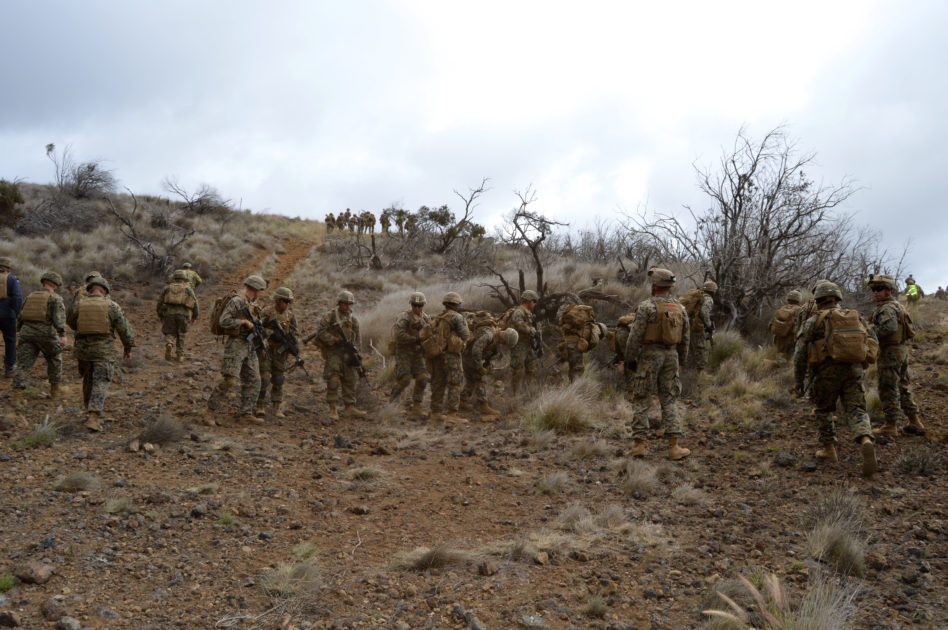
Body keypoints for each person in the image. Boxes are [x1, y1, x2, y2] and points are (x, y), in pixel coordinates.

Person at [792, 281, 877, 477]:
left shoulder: (814, 321)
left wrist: (799, 380)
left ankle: (829, 449)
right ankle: (865, 439)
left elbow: (799, 353)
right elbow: (873, 340)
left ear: (817, 300)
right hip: (854, 371)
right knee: (856, 408)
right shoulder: (856, 317)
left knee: (823, 409)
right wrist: (864, 360)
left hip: (825, 373)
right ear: (838, 299)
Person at [623, 268, 691, 461]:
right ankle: (674, 447)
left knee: (642, 398)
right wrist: (681, 361)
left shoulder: (646, 307)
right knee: (669, 400)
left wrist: (630, 359)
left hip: (650, 356)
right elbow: (686, 339)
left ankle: (639, 445)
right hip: (671, 356)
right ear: (669, 287)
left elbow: (634, 337)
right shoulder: (680, 308)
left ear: (654, 286)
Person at [66, 276, 134, 432]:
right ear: (105, 291)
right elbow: (125, 330)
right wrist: (128, 348)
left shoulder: (78, 305)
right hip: (103, 351)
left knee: (88, 380)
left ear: (90, 291)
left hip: (83, 351)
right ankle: (93, 417)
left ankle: (87, 409)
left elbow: (70, 322)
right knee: (101, 381)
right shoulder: (112, 306)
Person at [867, 274, 925, 437]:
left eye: (879, 289)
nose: (875, 292)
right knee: (902, 386)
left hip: (890, 352)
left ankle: (890, 425)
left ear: (889, 290)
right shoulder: (897, 306)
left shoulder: (887, 308)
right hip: (901, 351)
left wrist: (870, 332)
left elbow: (889, 329)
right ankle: (914, 420)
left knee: (888, 388)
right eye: (874, 289)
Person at [206, 275, 266, 425]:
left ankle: (246, 413)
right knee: (230, 380)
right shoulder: (237, 301)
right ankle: (209, 412)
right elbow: (224, 321)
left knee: (255, 380)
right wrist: (243, 322)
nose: (261, 293)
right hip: (236, 344)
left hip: (249, 345)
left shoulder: (253, 304)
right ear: (256, 289)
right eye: (260, 290)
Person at [314, 290, 367, 421]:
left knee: (351, 380)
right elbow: (320, 332)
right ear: (339, 303)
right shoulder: (330, 316)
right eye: (345, 304)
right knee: (333, 380)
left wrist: (356, 354)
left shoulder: (353, 320)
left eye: (350, 304)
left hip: (348, 354)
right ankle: (333, 409)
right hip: (334, 353)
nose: (348, 307)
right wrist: (335, 340)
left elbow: (357, 339)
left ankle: (349, 408)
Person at [13, 271, 66, 397]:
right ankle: (55, 390)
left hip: (26, 333)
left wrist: (18, 330)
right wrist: (62, 335)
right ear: (56, 285)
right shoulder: (55, 298)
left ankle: (17, 395)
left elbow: (21, 315)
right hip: (46, 334)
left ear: (43, 282)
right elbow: (59, 319)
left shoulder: (31, 296)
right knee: (54, 359)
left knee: (23, 363)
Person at [460, 313, 517, 419]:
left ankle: (461, 401)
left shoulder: (496, 335)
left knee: (471, 381)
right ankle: (483, 406)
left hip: (468, 355)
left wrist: (488, 364)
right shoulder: (489, 335)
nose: (504, 345)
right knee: (480, 379)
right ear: (504, 338)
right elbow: (476, 350)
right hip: (469, 355)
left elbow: (486, 352)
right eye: (505, 343)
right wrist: (479, 367)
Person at [426, 292, 470, 423]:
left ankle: (435, 412)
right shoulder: (457, 317)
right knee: (455, 383)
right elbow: (466, 335)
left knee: (438, 383)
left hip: (436, 355)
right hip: (451, 356)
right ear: (456, 304)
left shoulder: (437, 317)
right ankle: (452, 414)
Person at [255, 286, 299, 419]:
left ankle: (276, 407)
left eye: (289, 302)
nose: (287, 304)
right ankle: (260, 406)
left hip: (281, 353)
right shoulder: (267, 312)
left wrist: (292, 341)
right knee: (264, 379)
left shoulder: (290, 315)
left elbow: (295, 331)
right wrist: (271, 333)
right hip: (266, 350)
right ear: (278, 300)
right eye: (285, 301)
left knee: (279, 379)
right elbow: (257, 328)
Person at [389, 292, 431, 416]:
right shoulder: (404, 317)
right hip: (404, 352)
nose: (417, 308)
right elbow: (398, 334)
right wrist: (415, 339)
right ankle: (392, 403)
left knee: (422, 379)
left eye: (420, 305)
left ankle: (417, 407)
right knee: (405, 379)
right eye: (415, 305)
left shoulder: (426, 318)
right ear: (411, 305)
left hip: (418, 353)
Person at [557, 302, 605, 383]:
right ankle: (576, 390)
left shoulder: (582, 324)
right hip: (575, 347)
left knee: (570, 368)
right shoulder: (594, 328)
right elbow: (594, 341)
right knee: (578, 370)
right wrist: (586, 347)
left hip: (565, 344)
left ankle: (569, 388)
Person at [157, 270, 199, 361]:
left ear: (174, 278)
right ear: (184, 278)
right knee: (181, 334)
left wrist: (160, 314)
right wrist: (195, 316)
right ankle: (179, 355)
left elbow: (159, 302)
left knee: (169, 332)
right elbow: (195, 303)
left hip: (169, 313)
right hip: (183, 314)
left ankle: (169, 343)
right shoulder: (188, 288)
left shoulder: (167, 288)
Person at [508, 290, 539, 395]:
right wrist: (531, 331)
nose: (535, 303)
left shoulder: (528, 312)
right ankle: (515, 395)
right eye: (534, 301)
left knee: (532, 368)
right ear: (528, 301)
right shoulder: (519, 312)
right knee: (517, 370)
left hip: (528, 344)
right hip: (519, 345)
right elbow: (519, 325)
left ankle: (528, 392)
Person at [0, 256, 24, 377]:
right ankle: (9, 368)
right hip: (7, 314)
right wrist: (17, 312)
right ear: (7, 268)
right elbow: (17, 298)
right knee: (10, 340)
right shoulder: (11, 279)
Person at [687, 280, 716, 373]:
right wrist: (709, 325)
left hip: (687, 324)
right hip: (696, 327)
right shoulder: (708, 299)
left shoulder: (698, 296)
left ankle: (688, 370)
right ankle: (700, 374)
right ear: (712, 291)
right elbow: (704, 312)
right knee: (701, 350)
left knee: (690, 348)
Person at [770, 290, 803, 360]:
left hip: (778, 338)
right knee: (787, 360)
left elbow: (770, 325)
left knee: (777, 357)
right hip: (791, 340)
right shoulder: (800, 310)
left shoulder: (782, 308)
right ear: (799, 299)